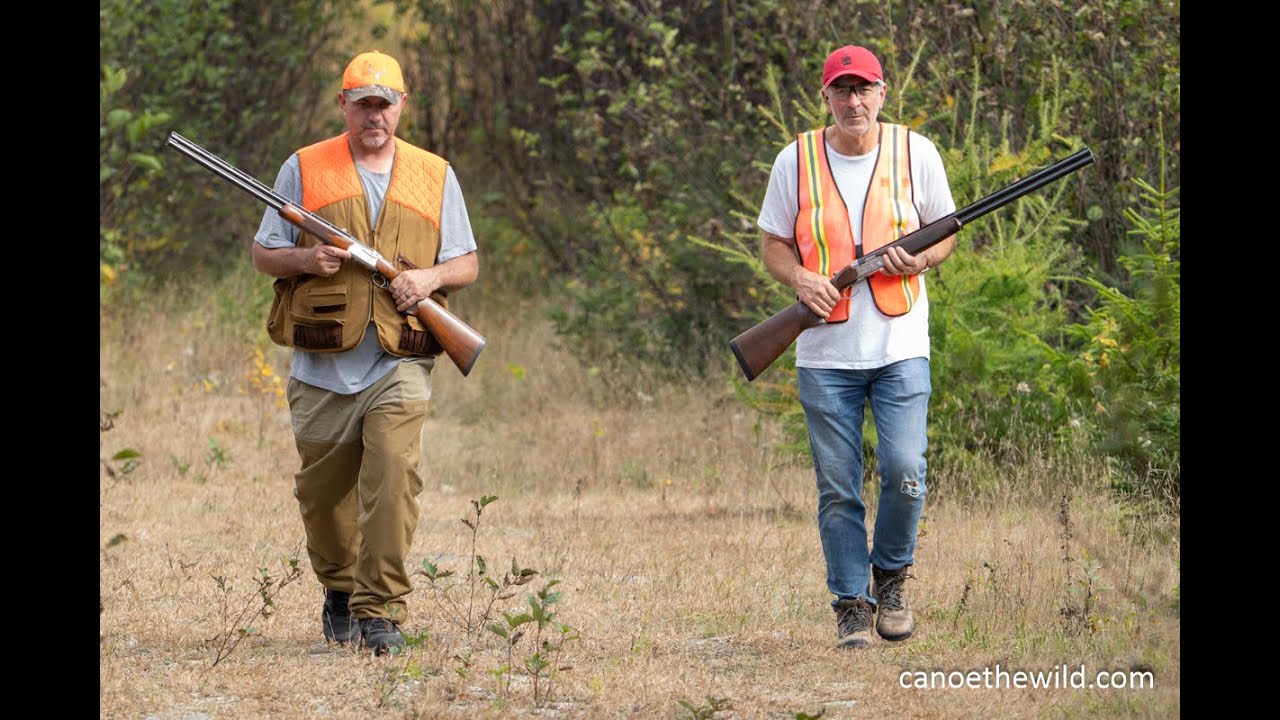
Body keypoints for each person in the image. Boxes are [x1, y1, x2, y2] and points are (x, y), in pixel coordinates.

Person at [251, 50, 480, 655]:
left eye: (384, 104)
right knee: (323, 499)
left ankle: (380, 613)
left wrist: (427, 280)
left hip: (399, 360)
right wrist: (306, 258)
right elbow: (264, 253)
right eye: (362, 105)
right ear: (343, 105)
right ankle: (340, 586)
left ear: (402, 106)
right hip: (322, 364)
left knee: (393, 480)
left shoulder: (435, 174)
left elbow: (466, 263)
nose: (373, 115)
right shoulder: (304, 167)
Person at [756, 45, 956, 649]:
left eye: (864, 89)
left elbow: (946, 232)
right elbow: (773, 244)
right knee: (839, 488)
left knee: (905, 471)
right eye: (842, 90)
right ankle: (851, 604)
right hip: (826, 357)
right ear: (825, 97)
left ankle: (890, 576)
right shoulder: (795, 160)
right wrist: (802, 279)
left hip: (901, 346)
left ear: (882, 93)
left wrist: (920, 258)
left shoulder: (916, 151)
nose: (854, 101)